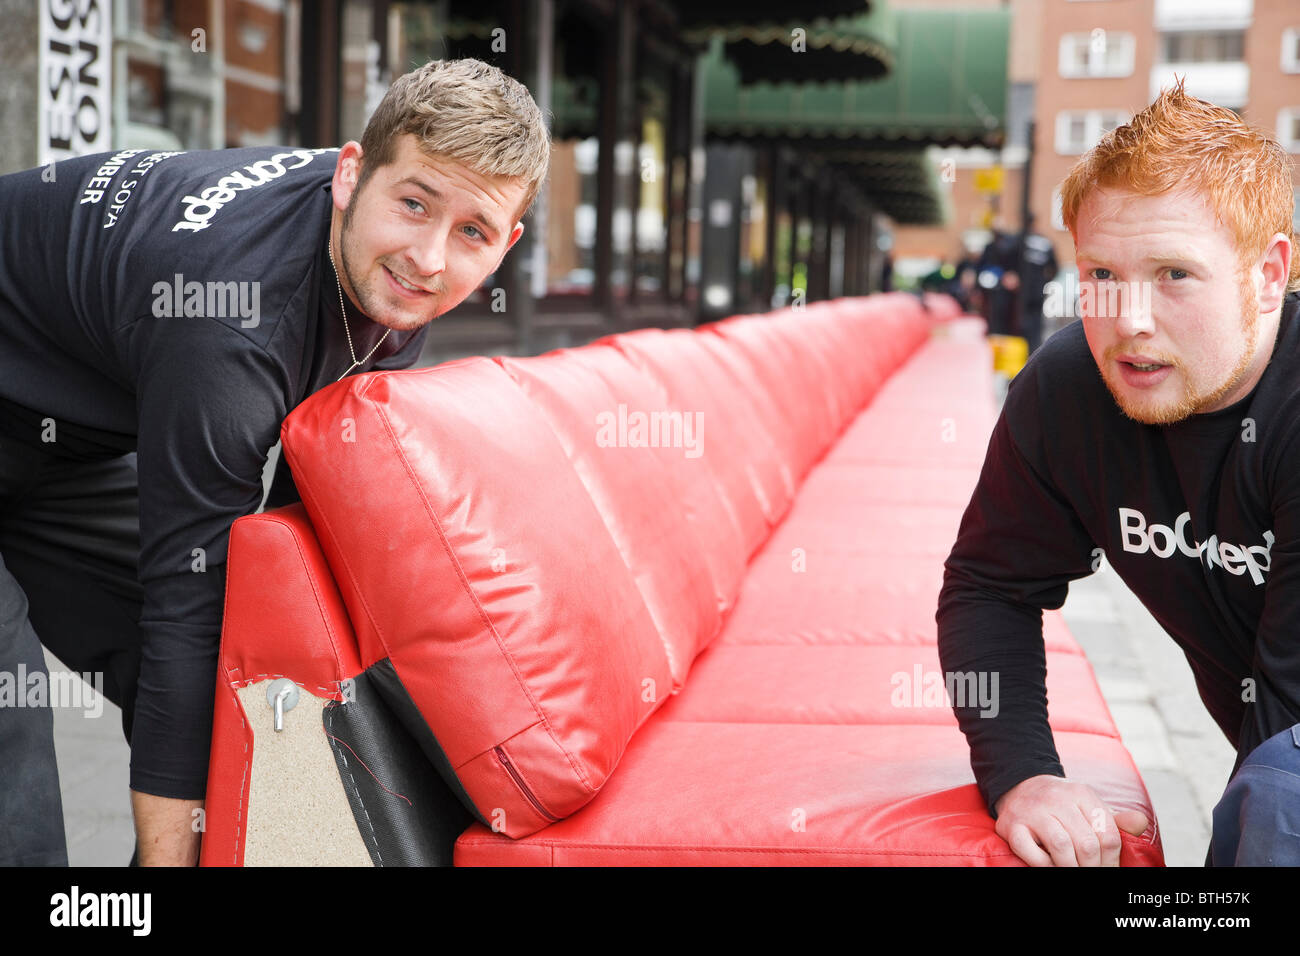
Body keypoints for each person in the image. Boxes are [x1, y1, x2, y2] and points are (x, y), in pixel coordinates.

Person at [0, 57, 549, 866]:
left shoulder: (386, 268)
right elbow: (186, 597)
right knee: (15, 713)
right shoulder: (233, 324)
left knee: (235, 682)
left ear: (505, 244)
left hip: (55, 443)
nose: (430, 257)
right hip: (49, 411)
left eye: (470, 232)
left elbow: (288, 550)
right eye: (414, 204)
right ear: (352, 174)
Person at [937, 79, 1298, 866]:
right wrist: (1020, 773)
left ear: (1268, 275)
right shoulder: (1071, 387)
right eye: (1102, 275)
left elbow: (1284, 760)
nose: (1129, 319)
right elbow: (989, 585)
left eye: (1174, 275)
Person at [1016, 215, 1058, 355]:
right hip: (1038, 289)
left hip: (1022, 291)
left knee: (1022, 322)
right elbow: (1054, 267)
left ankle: (1023, 353)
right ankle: (1033, 354)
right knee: (1036, 324)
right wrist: (1045, 281)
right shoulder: (1045, 242)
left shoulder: (1020, 240)